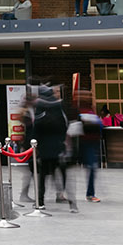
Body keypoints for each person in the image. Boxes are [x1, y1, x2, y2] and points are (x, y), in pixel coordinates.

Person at [32, 85, 77, 213]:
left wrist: (36, 143)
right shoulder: (58, 104)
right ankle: (72, 203)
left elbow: (37, 126)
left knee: (42, 177)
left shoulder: (40, 105)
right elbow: (64, 125)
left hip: (45, 147)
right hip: (58, 146)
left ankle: (40, 202)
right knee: (63, 174)